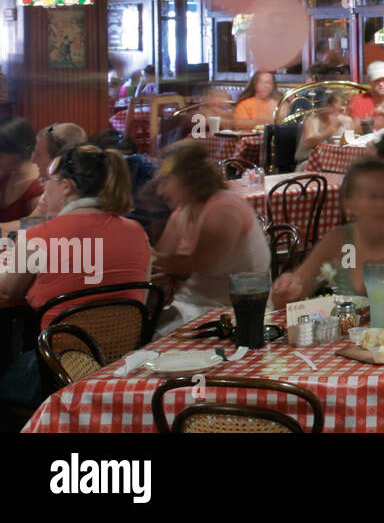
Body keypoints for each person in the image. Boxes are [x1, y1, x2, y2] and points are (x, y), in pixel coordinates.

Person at [0, 145, 151, 408]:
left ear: (67, 187)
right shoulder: (137, 231)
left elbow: (8, 293)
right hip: (125, 363)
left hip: (57, 367)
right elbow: (142, 298)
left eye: (48, 180)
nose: (44, 187)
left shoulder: (39, 237)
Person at [272, 160, 384, 308]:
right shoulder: (338, 242)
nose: (382, 205)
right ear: (349, 205)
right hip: (345, 344)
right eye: (372, 197)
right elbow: (295, 292)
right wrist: (287, 289)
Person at [152, 139, 271, 334]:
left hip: (234, 315)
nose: (159, 191)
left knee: (152, 337)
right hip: (193, 307)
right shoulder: (181, 213)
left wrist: (147, 256)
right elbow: (161, 260)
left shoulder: (224, 208)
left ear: (188, 178)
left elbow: (201, 262)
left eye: (165, 182)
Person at [0, 118, 44, 224]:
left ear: (19, 152)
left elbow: (37, 228)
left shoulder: (39, 188)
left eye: (0, 156)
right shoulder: (6, 175)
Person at [295, 92, 356, 164]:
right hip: (308, 161)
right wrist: (330, 130)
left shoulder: (346, 121)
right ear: (327, 106)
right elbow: (308, 143)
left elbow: (349, 146)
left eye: (342, 109)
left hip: (334, 162)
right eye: (334, 107)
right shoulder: (313, 121)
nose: (341, 113)